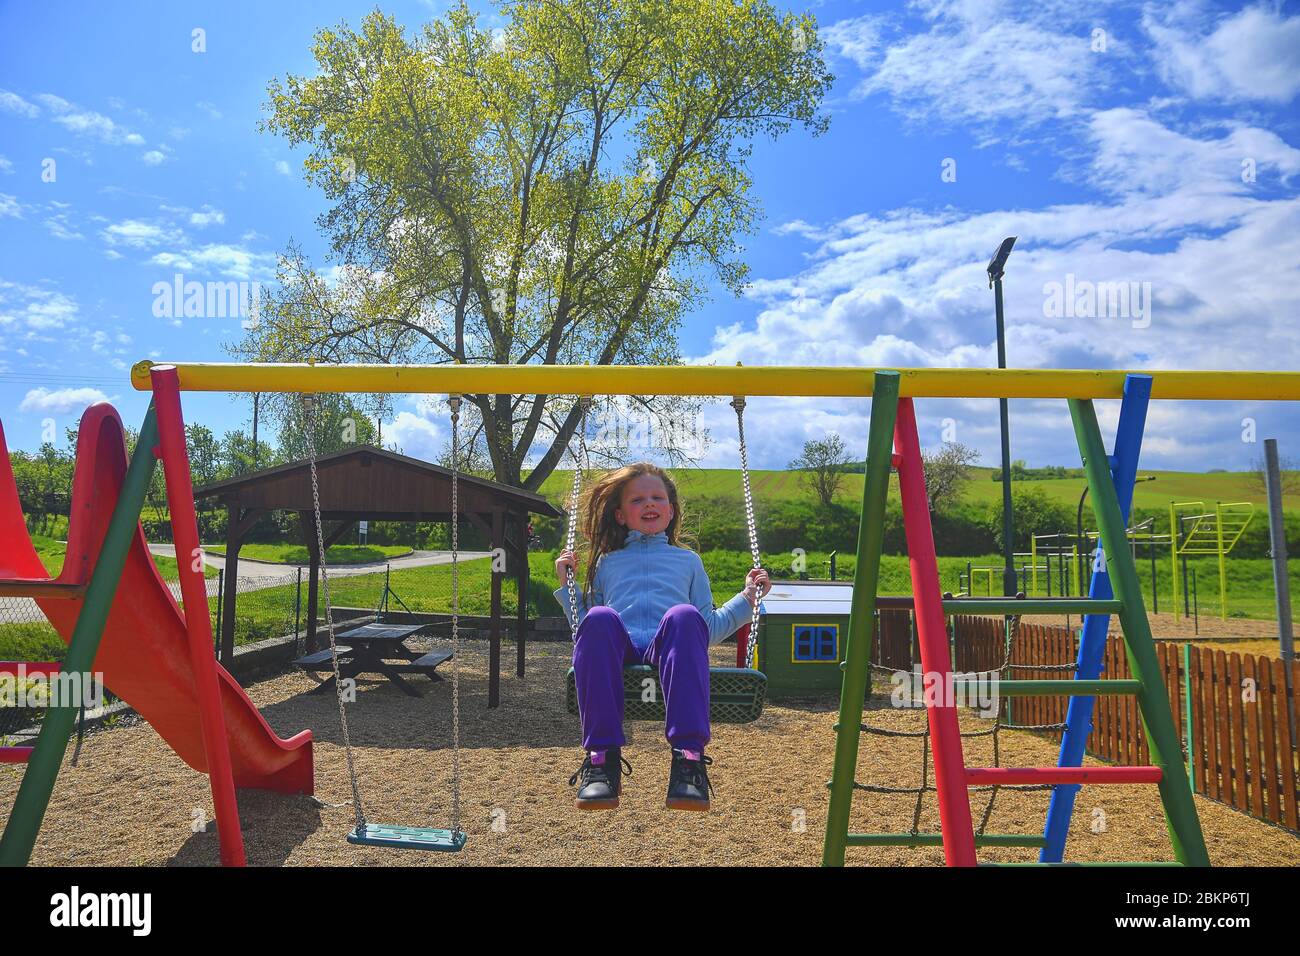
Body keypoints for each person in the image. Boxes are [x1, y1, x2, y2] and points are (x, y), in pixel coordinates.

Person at [554, 462, 769, 812]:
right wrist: (569, 587)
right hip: (620, 647)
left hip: (669, 647)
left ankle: (688, 762)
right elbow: (588, 633)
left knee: (684, 615)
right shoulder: (607, 563)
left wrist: (747, 599)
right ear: (621, 515)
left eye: (658, 497)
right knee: (599, 616)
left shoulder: (688, 562)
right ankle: (601, 761)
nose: (649, 504)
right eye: (638, 499)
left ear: (670, 511)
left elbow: (706, 627)